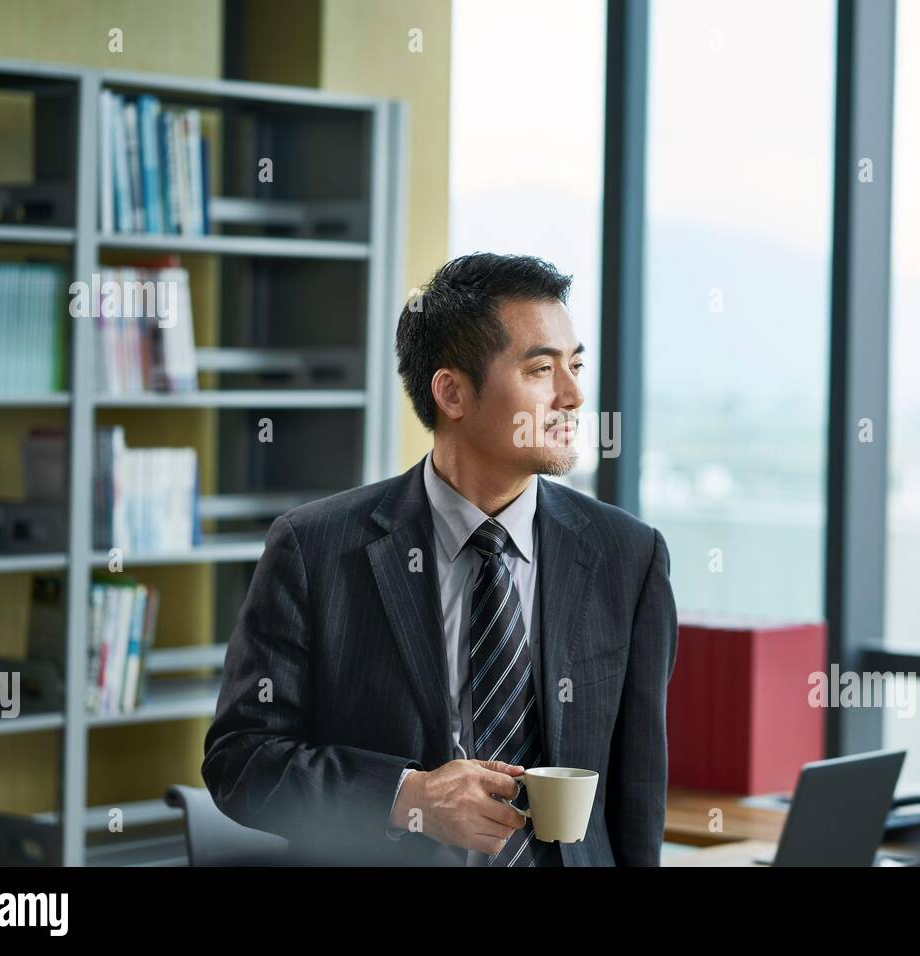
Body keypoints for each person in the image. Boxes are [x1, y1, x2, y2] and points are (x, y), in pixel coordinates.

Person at [202, 252, 678, 865]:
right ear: (452, 392)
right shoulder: (314, 549)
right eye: (540, 369)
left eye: (576, 365)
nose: (573, 395)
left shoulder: (629, 555)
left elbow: (637, 789)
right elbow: (241, 762)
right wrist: (408, 796)